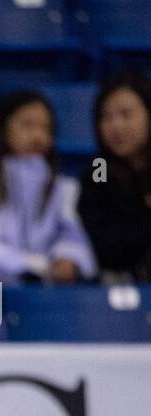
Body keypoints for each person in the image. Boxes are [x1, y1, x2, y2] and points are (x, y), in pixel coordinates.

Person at [0, 90, 96, 284]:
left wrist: (68, 260)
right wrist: (31, 265)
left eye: (46, 129)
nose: (38, 136)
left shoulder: (64, 188)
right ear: (2, 129)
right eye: (27, 125)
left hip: (44, 297)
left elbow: (72, 236)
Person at [78, 71, 151, 284]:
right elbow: (108, 244)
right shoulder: (99, 168)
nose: (115, 126)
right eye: (106, 117)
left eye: (126, 114)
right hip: (122, 280)